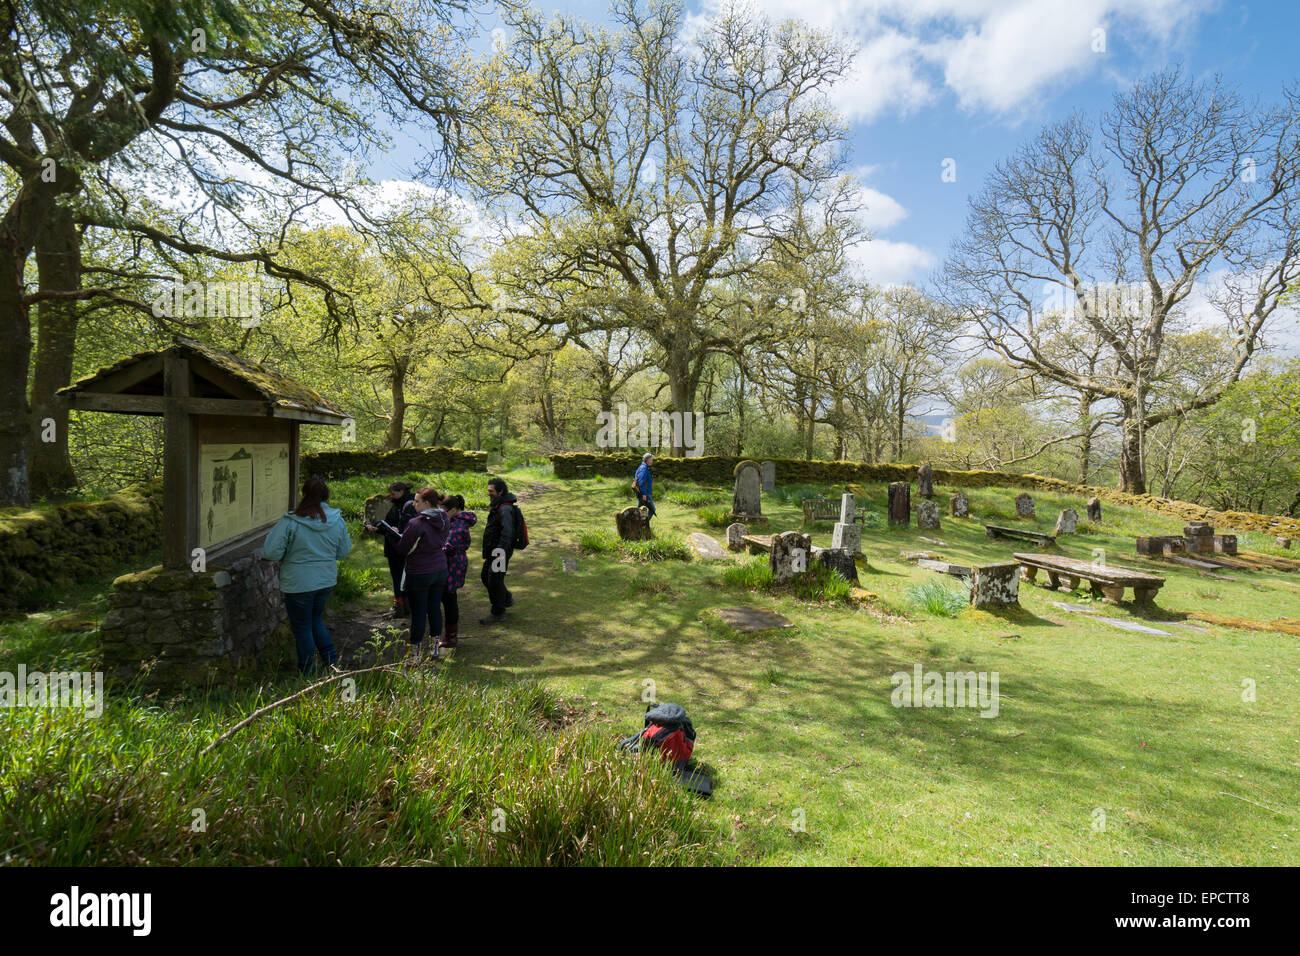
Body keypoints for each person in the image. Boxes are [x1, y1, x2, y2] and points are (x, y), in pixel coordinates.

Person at [263, 477, 352, 675]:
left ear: (303, 494)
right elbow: (344, 551)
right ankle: (331, 662)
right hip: (325, 579)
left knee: (303, 625)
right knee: (315, 620)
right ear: (326, 496)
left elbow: (271, 552)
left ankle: (308, 671)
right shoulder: (337, 520)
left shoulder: (291, 521)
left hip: (298, 582)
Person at [397, 486, 450, 661]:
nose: (414, 504)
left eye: (417, 501)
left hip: (420, 572)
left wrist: (395, 537)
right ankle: (435, 649)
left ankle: (415, 654)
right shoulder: (444, 518)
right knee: (434, 608)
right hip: (440, 569)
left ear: (427, 503)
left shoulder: (416, 523)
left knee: (419, 613)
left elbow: (403, 549)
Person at [364, 481, 418, 617]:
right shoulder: (397, 505)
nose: (391, 496)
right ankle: (400, 604)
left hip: (401, 548)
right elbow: (389, 524)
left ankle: (405, 605)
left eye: (393, 494)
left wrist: (394, 530)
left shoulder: (408, 506)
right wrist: (378, 529)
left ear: (401, 492)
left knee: (402, 577)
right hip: (393, 546)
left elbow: (405, 527)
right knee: (397, 577)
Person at [437, 494, 477, 648]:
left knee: (449, 598)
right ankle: (449, 636)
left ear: (453, 510)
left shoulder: (458, 525)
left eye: (444, 511)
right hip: (452, 563)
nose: (442, 515)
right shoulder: (454, 521)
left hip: (453, 564)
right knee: (448, 598)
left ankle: (450, 637)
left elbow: (449, 547)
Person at [479, 476, 517, 625]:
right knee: (486, 577)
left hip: (499, 553)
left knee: (494, 580)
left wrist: (499, 552)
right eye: (488, 490)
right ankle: (506, 598)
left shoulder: (505, 509)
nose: (489, 493)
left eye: (491, 491)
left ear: (500, 491)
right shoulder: (498, 505)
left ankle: (498, 612)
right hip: (494, 552)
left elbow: (507, 532)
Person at [634, 452, 655, 524]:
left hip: (641, 492)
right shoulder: (644, 469)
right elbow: (641, 482)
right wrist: (644, 494)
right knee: (652, 509)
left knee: (641, 510)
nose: (652, 461)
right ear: (648, 460)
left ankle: (637, 524)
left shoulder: (641, 467)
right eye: (651, 460)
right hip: (645, 493)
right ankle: (642, 525)